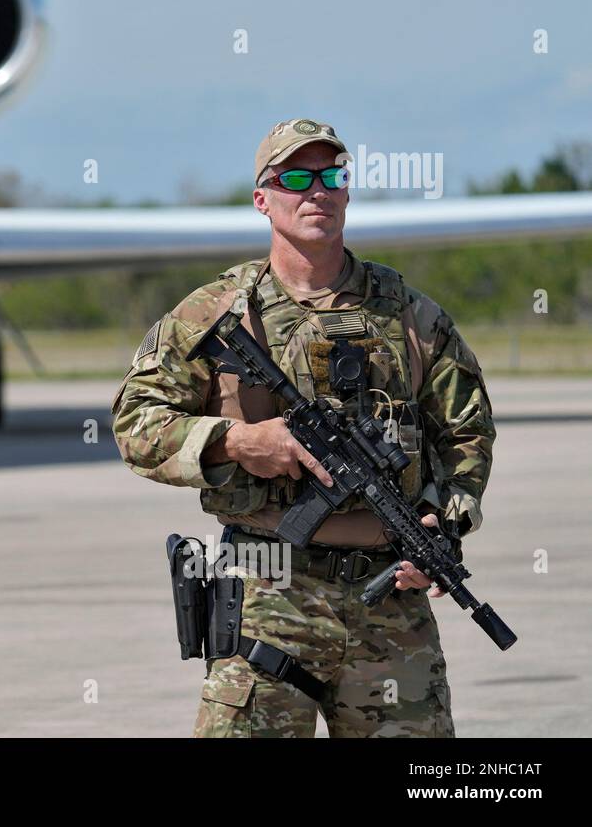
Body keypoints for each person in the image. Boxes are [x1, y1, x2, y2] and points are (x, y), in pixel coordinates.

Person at [112, 118, 495, 737]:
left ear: (348, 191)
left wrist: (442, 521)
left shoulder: (409, 314)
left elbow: (466, 433)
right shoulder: (215, 313)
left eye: (332, 175)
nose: (316, 190)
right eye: (295, 177)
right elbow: (136, 423)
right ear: (263, 197)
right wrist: (240, 442)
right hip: (268, 595)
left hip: (389, 603)